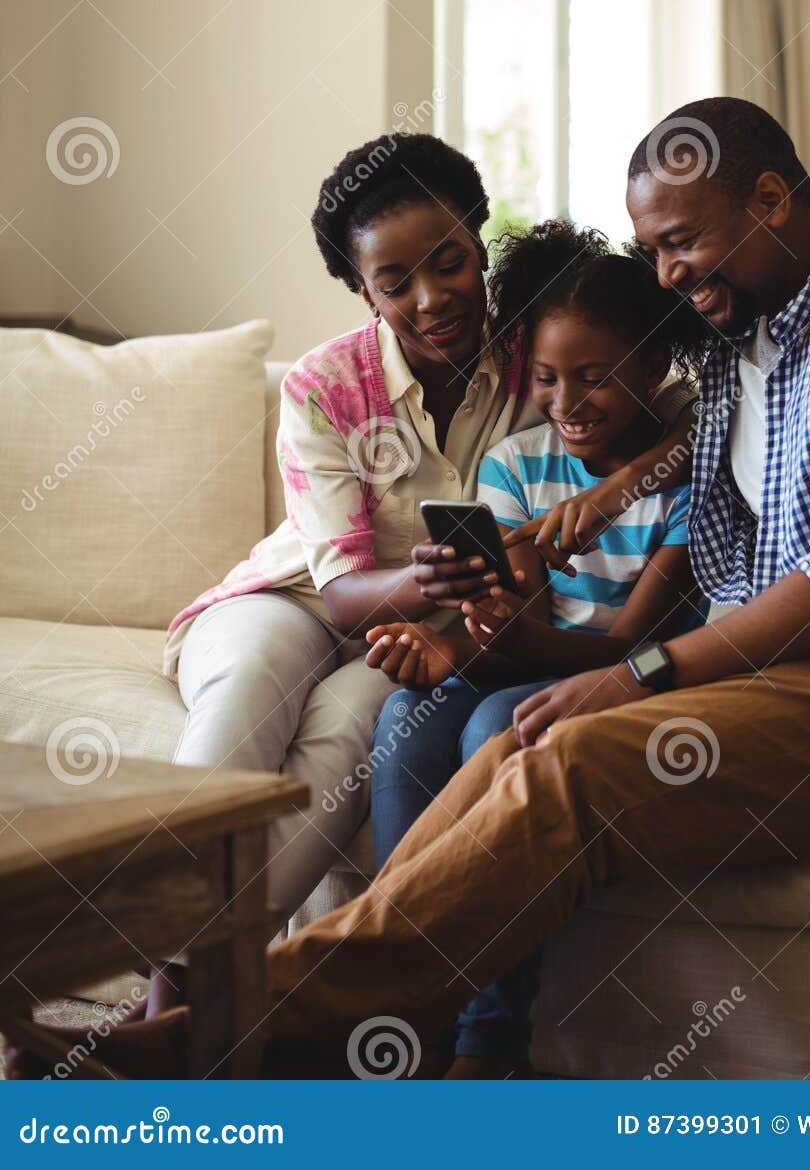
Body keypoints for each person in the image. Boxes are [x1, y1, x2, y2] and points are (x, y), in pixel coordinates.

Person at [11, 97, 810, 1079]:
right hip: (799, 668)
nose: (663, 274)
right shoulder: (746, 326)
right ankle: (317, 1026)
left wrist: (639, 673)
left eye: (677, 243)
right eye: (647, 249)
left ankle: (218, 1041)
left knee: (576, 763)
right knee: (518, 738)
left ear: (771, 201)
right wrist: (600, 509)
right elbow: (686, 444)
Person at [157, 137, 695, 976]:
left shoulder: (538, 353)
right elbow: (337, 593)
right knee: (244, 702)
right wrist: (423, 577)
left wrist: (614, 489)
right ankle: (164, 979)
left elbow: (697, 403)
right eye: (395, 282)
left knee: (350, 730)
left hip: (432, 630)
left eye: (450, 262)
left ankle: (208, 993)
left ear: (480, 244)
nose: (433, 296)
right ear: (360, 290)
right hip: (297, 598)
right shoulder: (324, 385)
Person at [366, 220, 707, 1077]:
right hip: (530, 659)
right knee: (407, 716)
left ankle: (489, 1040)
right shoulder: (517, 467)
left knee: (497, 732)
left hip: (620, 682)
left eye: (594, 379)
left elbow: (628, 644)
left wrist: (514, 646)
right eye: (548, 380)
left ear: (653, 367)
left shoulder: (685, 486)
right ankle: (396, 1012)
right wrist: (456, 645)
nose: (567, 403)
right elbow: (505, 627)